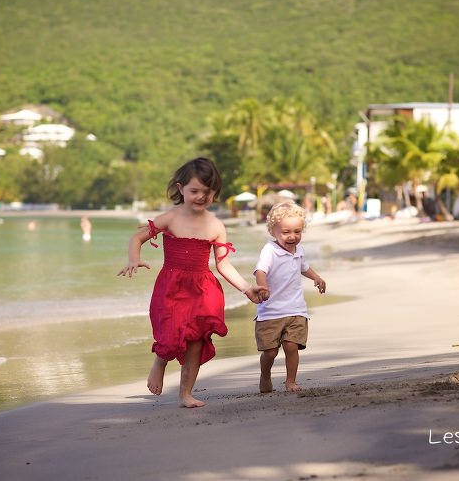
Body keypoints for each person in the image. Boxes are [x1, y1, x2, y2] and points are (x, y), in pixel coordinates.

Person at [118, 157, 268, 408]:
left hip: (203, 290)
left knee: (196, 342)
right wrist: (135, 259)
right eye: (194, 191)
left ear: (214, 193)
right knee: (170, 333)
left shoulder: (216, 225)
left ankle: (185, 393)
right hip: (171, 287)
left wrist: (246, 288)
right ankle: (160, 361)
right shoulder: (171, 218)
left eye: (207, 192)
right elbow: (137, 238)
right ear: (180, 189)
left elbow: (223, 264)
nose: (200, 196)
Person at [253, 201, 326, 393]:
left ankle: (290, 381)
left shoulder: (298, 250)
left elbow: (304, 267)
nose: (292, 237)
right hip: (270, 311)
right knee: (270, 352)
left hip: (296, 309)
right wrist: (263, 286)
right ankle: (265, 375)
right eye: (286, 232)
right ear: (272, 231)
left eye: (297, 232)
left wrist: (316, 277)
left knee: (292, 346)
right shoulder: (269, 250)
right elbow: (260, 270)